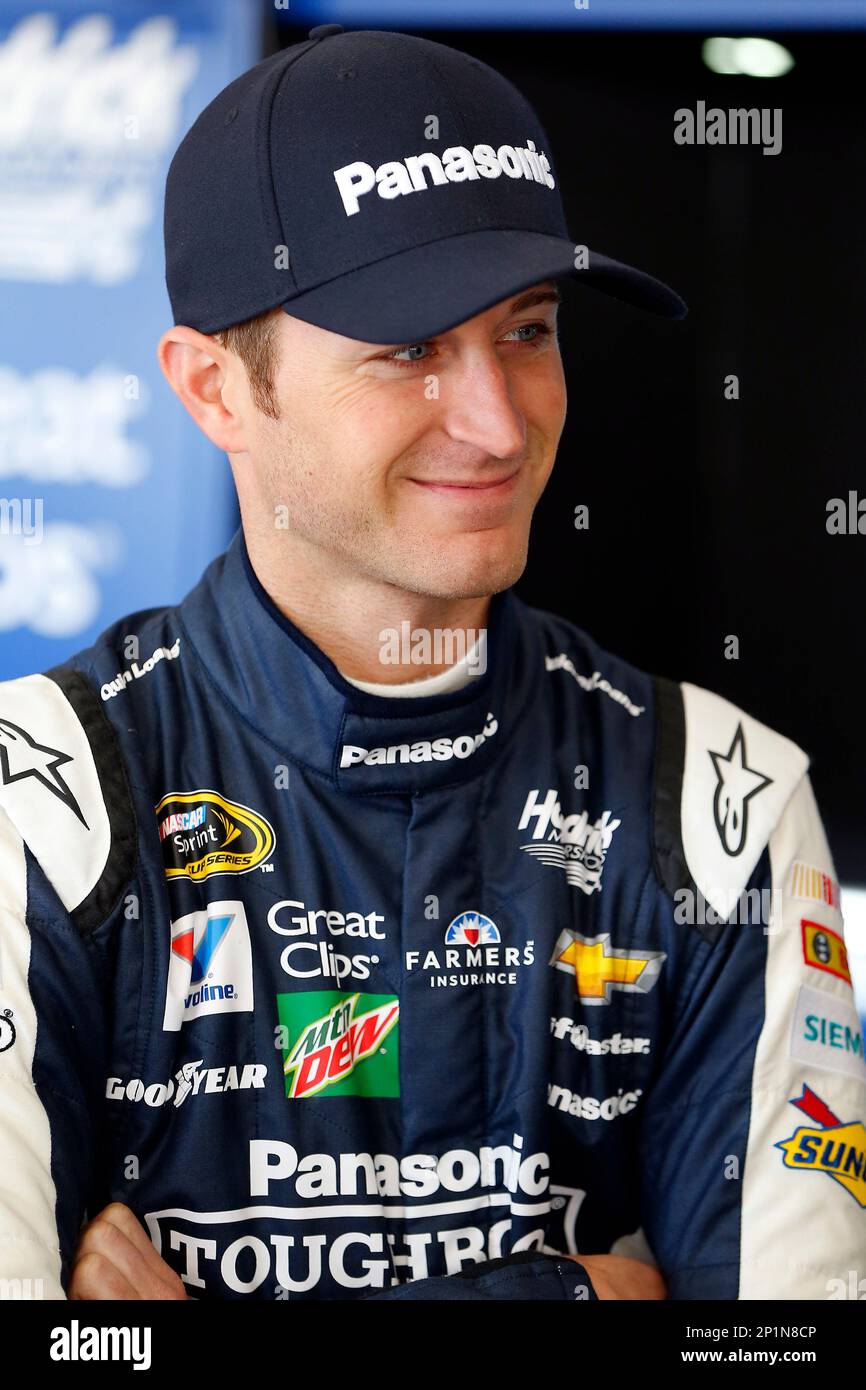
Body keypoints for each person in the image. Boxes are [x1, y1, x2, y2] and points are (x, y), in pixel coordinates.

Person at [0, 25, 862, 1303]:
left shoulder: (721, 801)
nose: (498, 422)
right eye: (407, 348)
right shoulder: (43, 799)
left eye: (525, 330)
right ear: (214, 389)